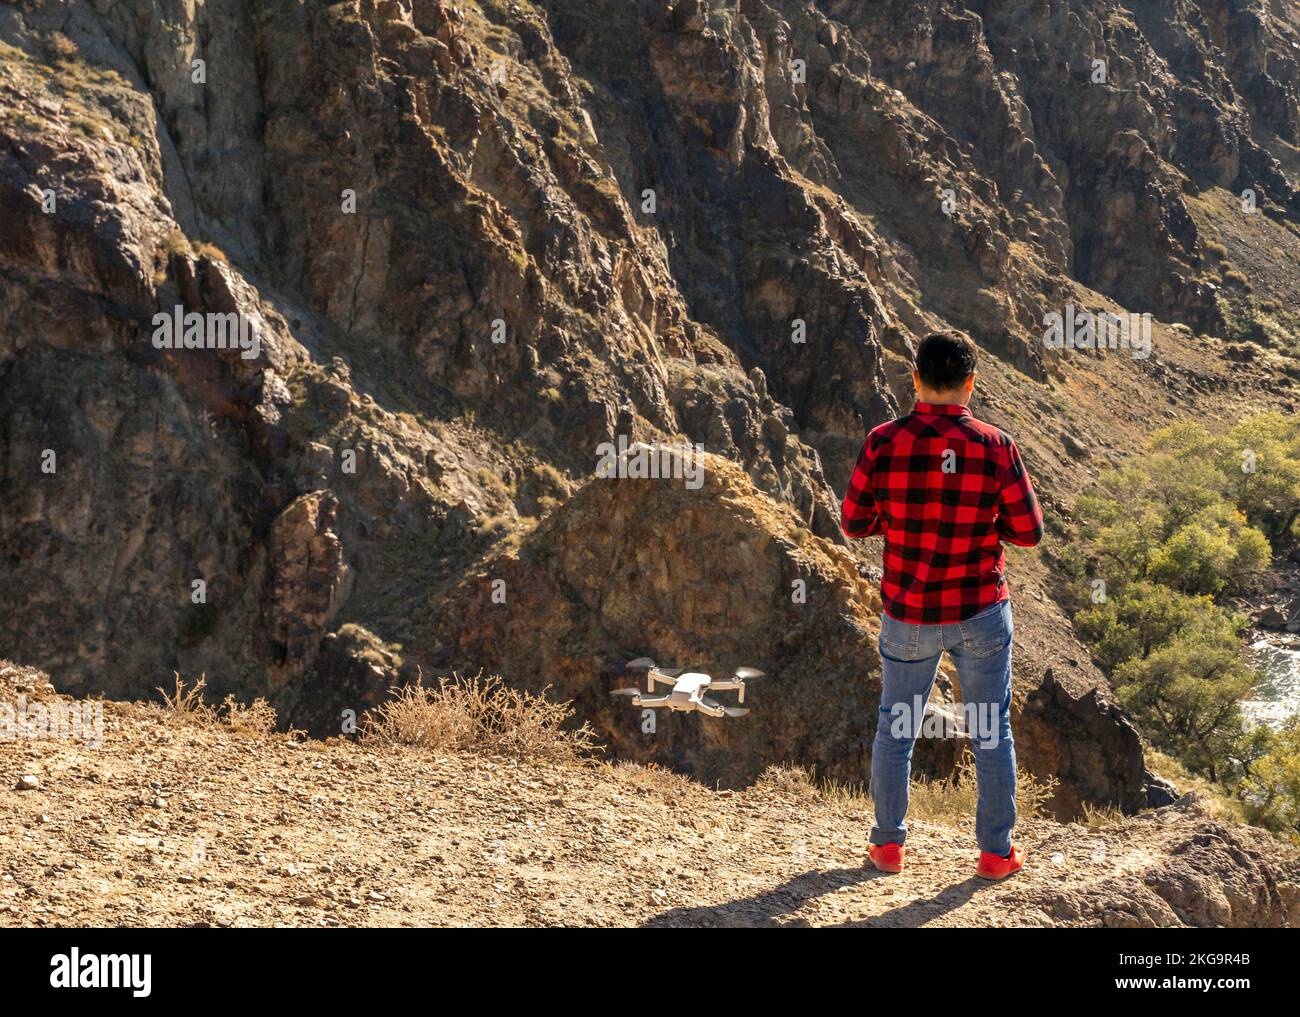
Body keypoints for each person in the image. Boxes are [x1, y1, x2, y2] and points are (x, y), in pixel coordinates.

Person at [840, 330, 1044, 880]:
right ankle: (995, 854)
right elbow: (1029, 532)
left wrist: (900, 523)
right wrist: (985, 528)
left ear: (916, 381)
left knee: (895, 728)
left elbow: (853, 522)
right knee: (990, 730)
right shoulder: (995, 446)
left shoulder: (884, 441)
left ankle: (887, 847)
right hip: (978, 609)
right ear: (970, 384)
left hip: (908, 609)